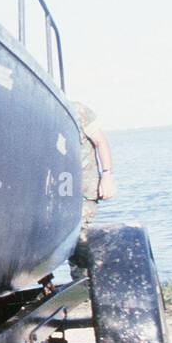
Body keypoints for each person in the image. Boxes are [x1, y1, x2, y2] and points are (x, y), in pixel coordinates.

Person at [70, 101, 117, 274]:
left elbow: (100, 141)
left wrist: (107, 175)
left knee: (79, 239)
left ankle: (87, 282)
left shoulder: (76, 110)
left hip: (83, 190)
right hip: (60, 190)